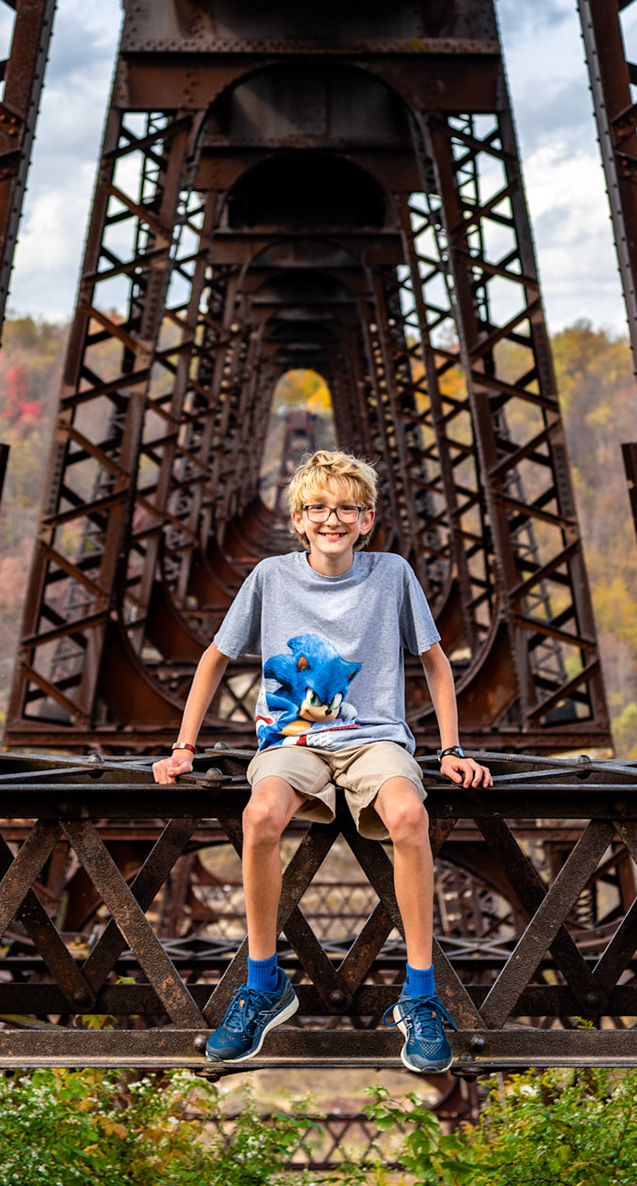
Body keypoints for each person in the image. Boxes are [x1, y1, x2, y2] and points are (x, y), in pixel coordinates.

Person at [153, 449, 491, 1073]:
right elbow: (214, 659)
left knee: (410, 818)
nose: (330, 519)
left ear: (367, 520)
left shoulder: (392, 573)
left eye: (345, 509)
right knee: (260, 818)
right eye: (317, 509)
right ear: (298, 520)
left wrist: (451, 749)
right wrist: (183, 749)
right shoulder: (270, 577)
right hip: (292, 742)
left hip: (375, 738)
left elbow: (437, 662)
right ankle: (262, 984)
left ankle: (419, 996)